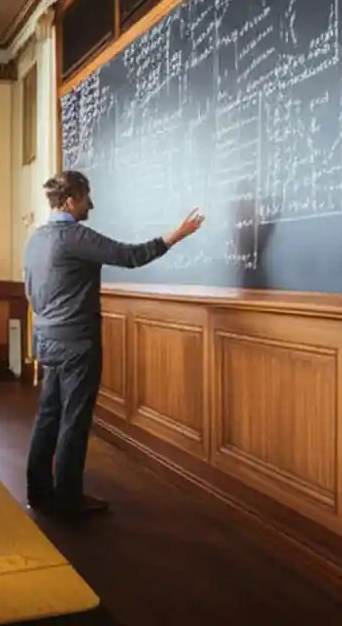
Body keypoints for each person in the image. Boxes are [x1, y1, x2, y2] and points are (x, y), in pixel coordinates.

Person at [23, 171, 204, 518]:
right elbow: (130, 256)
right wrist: (176, 235)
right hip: (77, 341)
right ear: (72, 199)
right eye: (87, 196)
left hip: (47, 337)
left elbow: (30, 291)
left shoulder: (36, 239)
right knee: (74, 420)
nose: (92, 203)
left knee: (48, 416)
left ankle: (38, 492)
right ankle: (69, 501)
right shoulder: (74, 237)